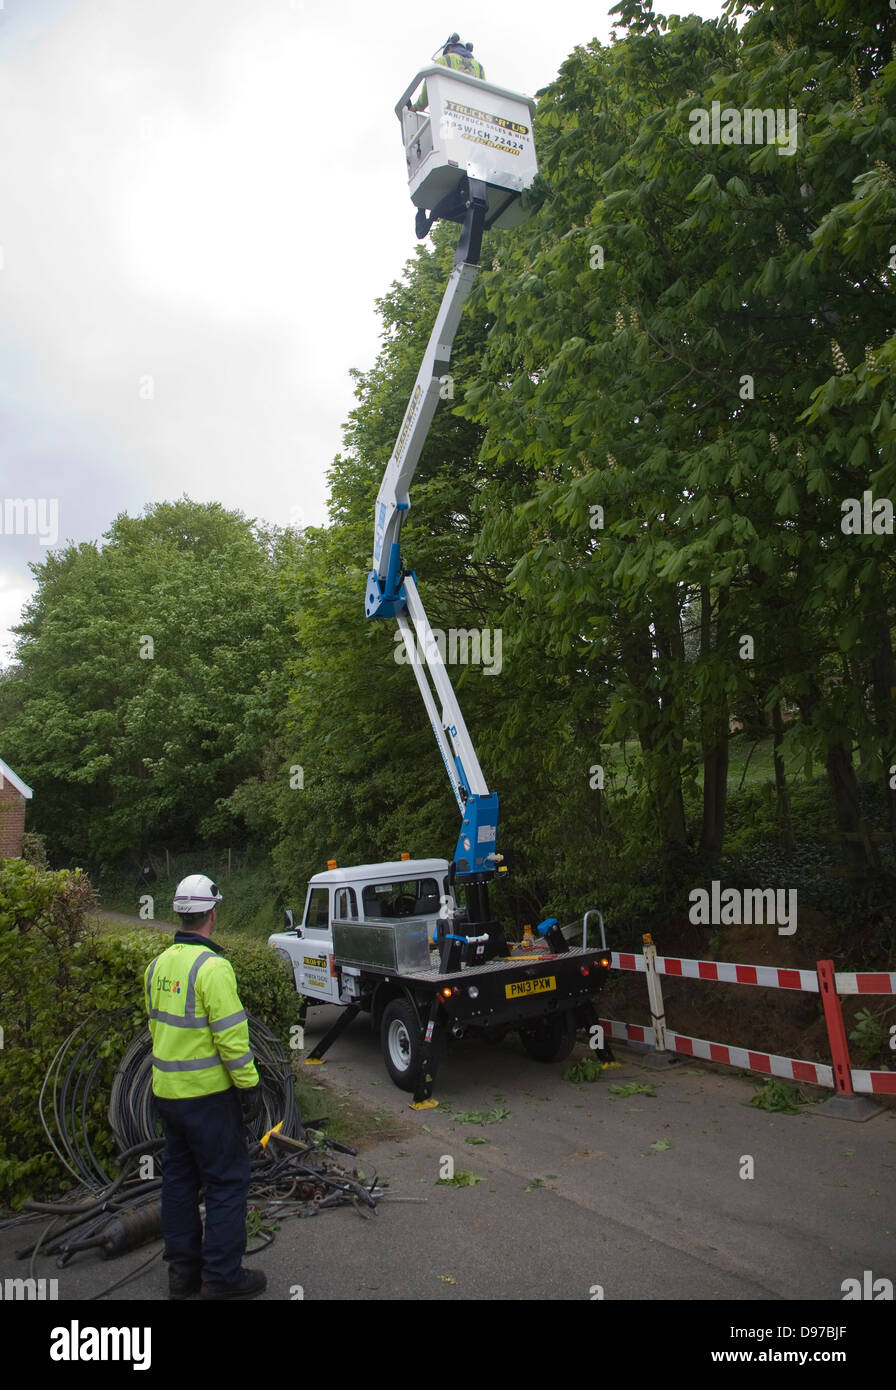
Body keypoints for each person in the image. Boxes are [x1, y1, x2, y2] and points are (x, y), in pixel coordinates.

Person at [144, 873, 266, 1300]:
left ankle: (183, 1276)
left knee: (178, 1181)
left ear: (180, 914)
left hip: (168, 1097)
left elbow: (155, 1027)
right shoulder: (213, 968)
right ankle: (221, 1279)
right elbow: (232, 1039)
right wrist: (250, 1087)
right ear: (212, 913)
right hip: (210, 1099)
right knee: (226, 1182)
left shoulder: (157, 965)